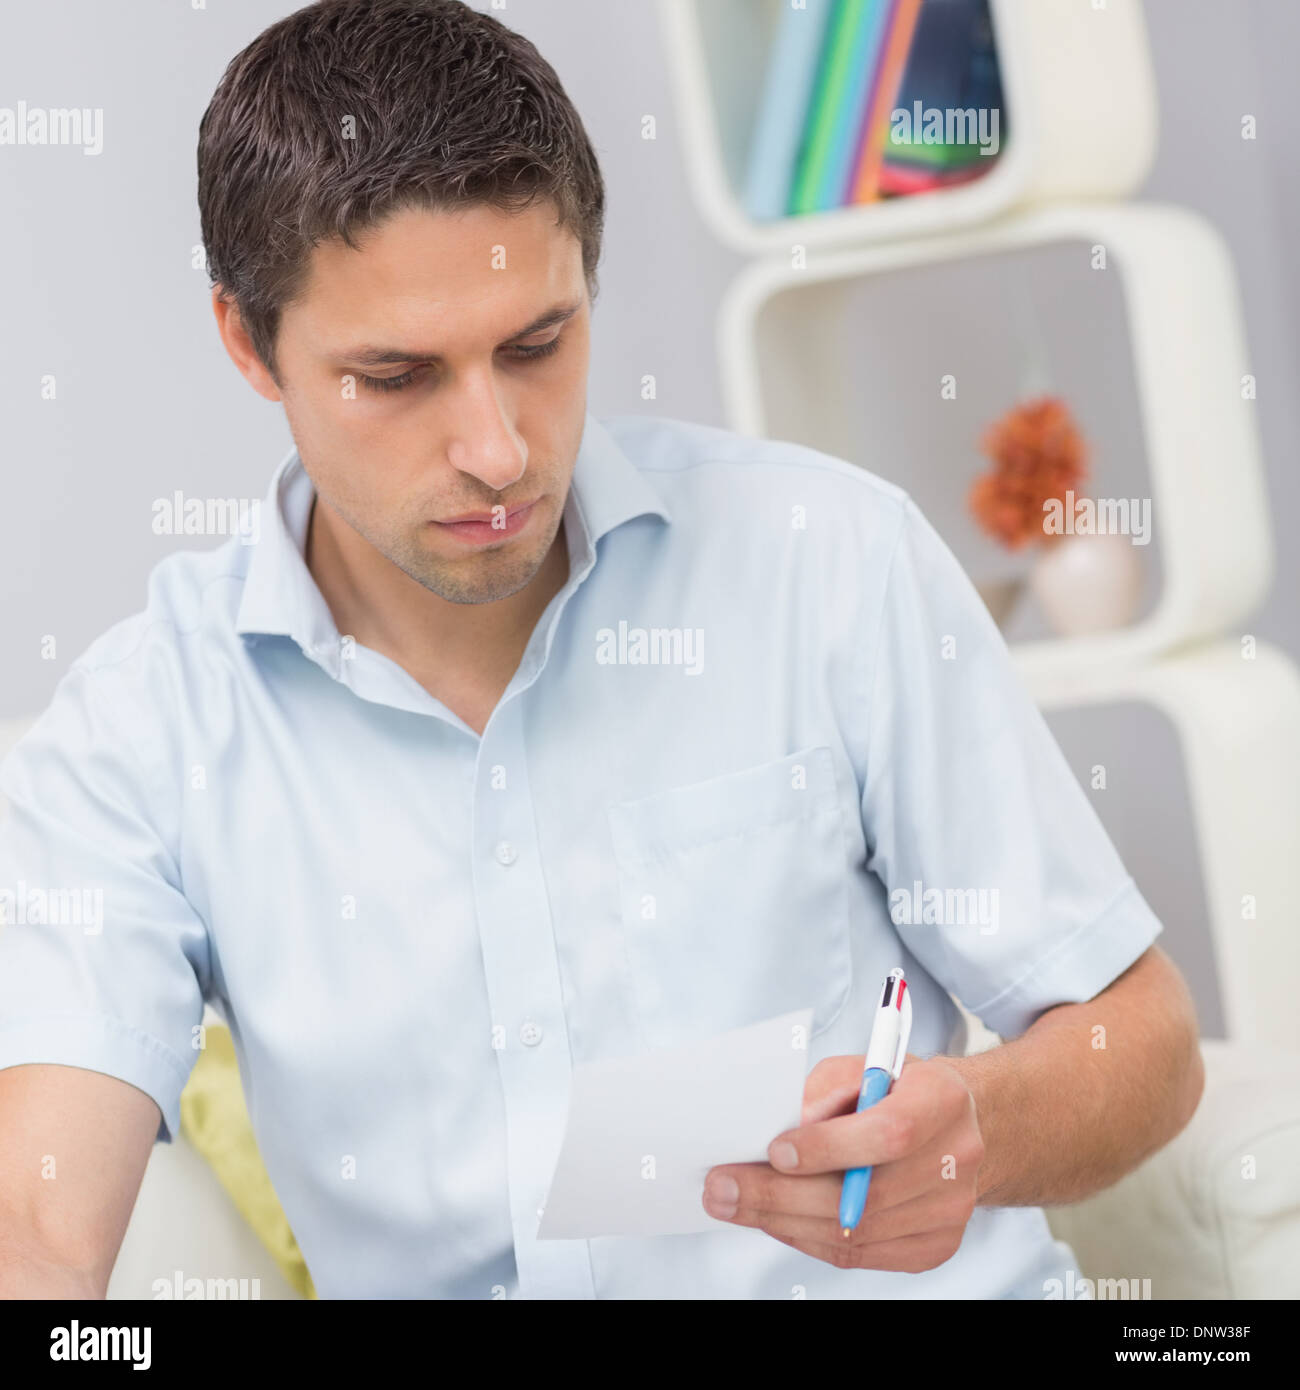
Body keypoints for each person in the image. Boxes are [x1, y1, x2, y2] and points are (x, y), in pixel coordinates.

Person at [0, 0, 1202, 1300]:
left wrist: (977, 1122)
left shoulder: (825, 559)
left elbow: (1145, 1043)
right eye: (397, 375)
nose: (498, 449)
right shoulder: (140, 733)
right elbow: (42, 1231)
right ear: (251, 343)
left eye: (538, 344)